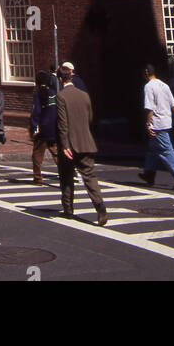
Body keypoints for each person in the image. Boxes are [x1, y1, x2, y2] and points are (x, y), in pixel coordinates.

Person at [55, 63, 107, 225]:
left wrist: (64, 145)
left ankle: (68, 209)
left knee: (66, 176)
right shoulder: (85, 95)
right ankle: (100, 207)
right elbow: (90, 118)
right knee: (89, 176)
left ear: (59, 79)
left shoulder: (61, 97)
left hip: (70, 144)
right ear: (71, 76)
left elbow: (62, 124)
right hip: (86, 141)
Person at [138, 63, 174, 192]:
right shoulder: (164, 85)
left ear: (146, 73)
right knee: (153, 149)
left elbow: (150, 107)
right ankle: (149, 174)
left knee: (167, 151)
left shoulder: (148, 87)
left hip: (157, 124)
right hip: (166, 122)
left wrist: (148, 123)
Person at [29, 70, 57, 186]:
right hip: (54, 127)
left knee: (37, 154)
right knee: (56, 152)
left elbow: (36, 113)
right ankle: (65, 174)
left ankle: (38, 177)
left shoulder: (38, 95)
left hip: (42, 129)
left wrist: (34, 128)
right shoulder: (54, 93)